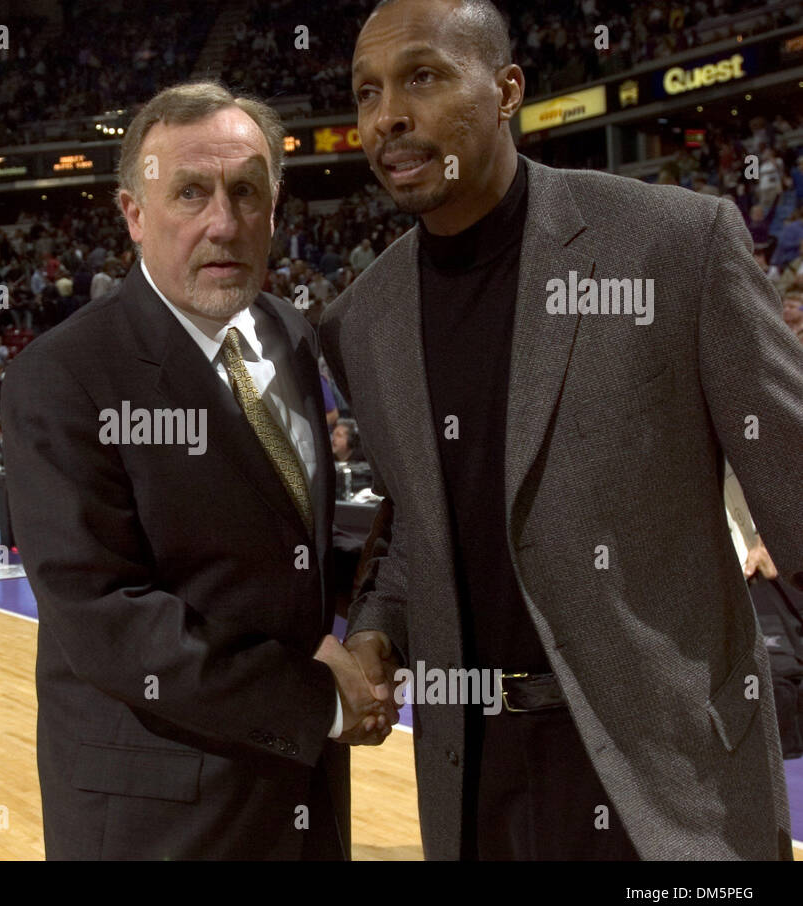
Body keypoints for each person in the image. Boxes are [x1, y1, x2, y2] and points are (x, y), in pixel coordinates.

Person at [320, 0, 803, 860]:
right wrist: (374, 629)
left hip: (673, 788)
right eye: (365, 92)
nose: (386, 114)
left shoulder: (674, 246)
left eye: (421, 77)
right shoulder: (361, 319)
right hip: (475, 788)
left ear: (506, 89)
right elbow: (416, 527)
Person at [3, 81, 393, 862]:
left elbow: (286, 546)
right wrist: (315, 699)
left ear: (275, 211)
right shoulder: (63, 375)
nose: (225, 222)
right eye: (191, 192)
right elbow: (107, 616)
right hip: (163, 814)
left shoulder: (288, 331)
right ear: (134, 214)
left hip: (304, 798)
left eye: (246, 191)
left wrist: (381, 624)